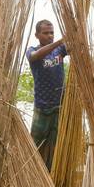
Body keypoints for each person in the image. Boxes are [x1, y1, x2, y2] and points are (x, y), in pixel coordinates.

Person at [26, 20, 68, 169]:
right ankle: (32, 173)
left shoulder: (60, 50)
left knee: (54, 146)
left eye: (52, 33)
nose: (50, 36)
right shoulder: (32, 50)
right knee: (35, 145)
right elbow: (35, 56)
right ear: (37, 35)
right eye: (45, 33)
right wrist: (59, 42)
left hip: (59, 106)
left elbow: (75, 47)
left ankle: (51, 177)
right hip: (42, 108)